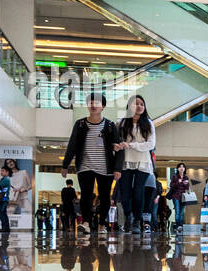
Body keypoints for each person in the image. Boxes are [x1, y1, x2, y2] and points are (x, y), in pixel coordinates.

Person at [61, 91, 122, 236]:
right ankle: (86, 223)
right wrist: (65, 164)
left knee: (104, 196)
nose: (93, 105)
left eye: (97, 103)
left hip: (105, 167)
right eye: (91, 102)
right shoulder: (81, 124)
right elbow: (72, 145)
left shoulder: (109, 125)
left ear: (103, 106)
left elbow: (119, 148)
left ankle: (102, 224)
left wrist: (118, 168)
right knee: (86, 195)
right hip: (85, 165)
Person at [115, 95, 155, 235]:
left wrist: (130, 145)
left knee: (138, 193)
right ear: (129, 106)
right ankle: (128, 215)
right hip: (125, 161)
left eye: (142, 104)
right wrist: (117, 146)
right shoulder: (121, 122)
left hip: (143, 161)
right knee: (125, 194)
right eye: (136, 104)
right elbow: (115, 140)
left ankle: (138, 221)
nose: (139, 106)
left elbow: (151, 144)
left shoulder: (148, 123)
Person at [167, 163, 190, 232]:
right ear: (177, 169)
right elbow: (171, 186)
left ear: (185, 169)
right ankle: (178, 226)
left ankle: (180, 225)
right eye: (180, 167)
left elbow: (187, 187)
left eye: (183, 167)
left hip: (183, 197)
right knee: (177, 211)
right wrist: (178, 182)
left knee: (182, 212)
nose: (181, 168)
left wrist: (186, 184)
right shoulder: (175, 177)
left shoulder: (186, 177)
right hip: (176, 196)